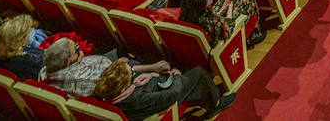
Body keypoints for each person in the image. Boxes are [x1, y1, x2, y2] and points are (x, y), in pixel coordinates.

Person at [90, 56, 235, 121]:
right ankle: (214, 105)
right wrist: (176, 75)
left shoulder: (108, 92)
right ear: (122, 85)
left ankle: (202, 94)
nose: (133, 74)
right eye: (131, 73)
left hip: (157, 86)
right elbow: (173, 94)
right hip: (165, 97)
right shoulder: (137, 100)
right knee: (199, 73)